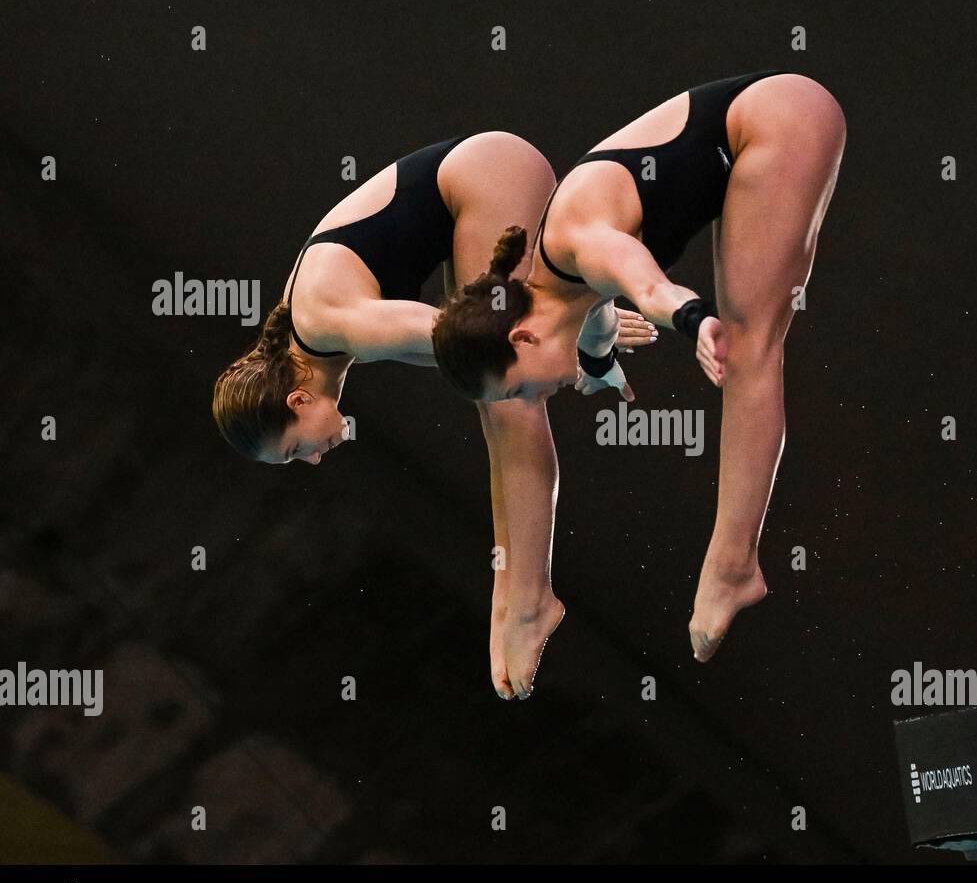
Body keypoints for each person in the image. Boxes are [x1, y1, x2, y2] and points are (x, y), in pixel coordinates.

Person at [431, 74, 845, 695]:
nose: (529, 403)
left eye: (516, 391)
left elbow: (645, 284)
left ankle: (733, 567)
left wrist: (692, 317)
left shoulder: (573, 242)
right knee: (748, 344)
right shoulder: (568, 303)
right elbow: (596, 332)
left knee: (749, 345)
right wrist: (597, 366)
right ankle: (730, 568)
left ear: (522, 338)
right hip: (748, 139)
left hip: (775, 118)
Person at [211, 131, 658, 699]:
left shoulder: (340, 326)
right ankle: (511, 591)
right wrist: (582, 337)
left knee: (506, 399)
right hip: (469, 186)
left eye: (299, 448)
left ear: (298, 401)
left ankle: (529, 600)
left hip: (488, 173)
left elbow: (503, 347)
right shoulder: (326, 338)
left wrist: (590, 343)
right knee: (490, 395)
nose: (317, 458)